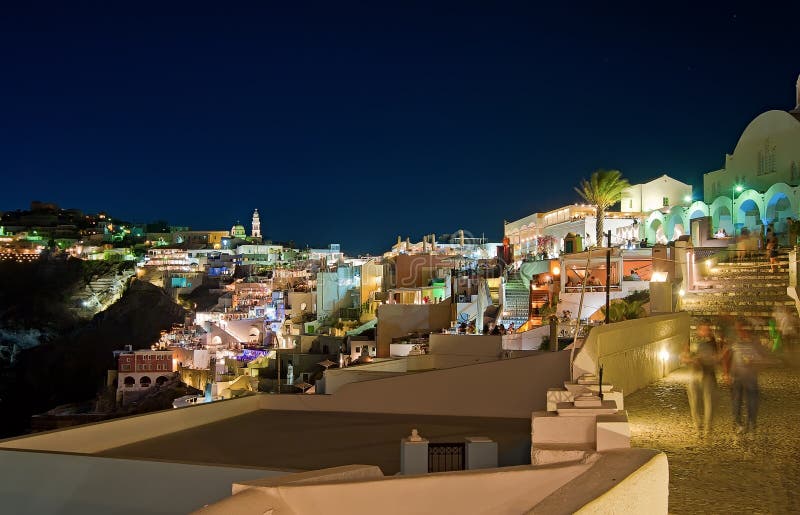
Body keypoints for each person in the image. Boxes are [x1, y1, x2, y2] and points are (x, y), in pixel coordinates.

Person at [723, 320, 771, 434]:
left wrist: (755, 362)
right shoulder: (733, 341)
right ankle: (739, 422)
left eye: (741, 329)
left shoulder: (755, 342)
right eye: (738, 329)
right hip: (736, 377)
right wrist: (726, 373)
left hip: (751, 377)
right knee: (736, 401)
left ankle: (751, 422)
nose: (740, 331)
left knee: (752, 401)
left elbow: (764, 358)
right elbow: (725, 356)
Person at [680, 319, 718, 436]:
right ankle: (698, 425)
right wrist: (692, 359)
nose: (706, 331)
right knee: (694, 401)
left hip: (708, 374)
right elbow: (683, 358)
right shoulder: (691, 341)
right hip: (694, 374)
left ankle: (708, 427)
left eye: (708, 329)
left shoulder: (713, 342)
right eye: (704, 329)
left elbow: (717, 358)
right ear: (698, 329)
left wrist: (711, 359)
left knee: (709, 400)